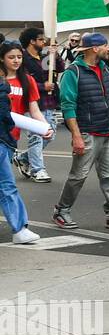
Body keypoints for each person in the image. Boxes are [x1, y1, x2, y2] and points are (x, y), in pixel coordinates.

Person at [53, 33, 109, 232]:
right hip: (88, 132)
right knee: (78, 176)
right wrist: (76, 135)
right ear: (95, 48)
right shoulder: (73, 72)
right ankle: (62, 211)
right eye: (106, 45)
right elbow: (68, 105)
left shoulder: (105, 67)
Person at [1, 41, 47, 244]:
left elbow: (34, 109)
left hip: (11, 139)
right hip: (2, 138)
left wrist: (45, 126)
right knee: (7, 185)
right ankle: (19, 228)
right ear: (2, 58)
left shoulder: (26, 81)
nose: (16, 61)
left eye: (19, 57)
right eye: (11, 57)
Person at [16, 27, 59, 183]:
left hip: (48, 102)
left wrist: (55, 55)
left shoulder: (44, 57)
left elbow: (58, 68)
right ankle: (38, 170)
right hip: (31, 103)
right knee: (36, 136)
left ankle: (23, 157)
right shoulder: (23, 59)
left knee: (50, 134)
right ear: (32, 41)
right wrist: (42, 87)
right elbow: (23, 81)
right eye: (41, 39)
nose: (44, 42)